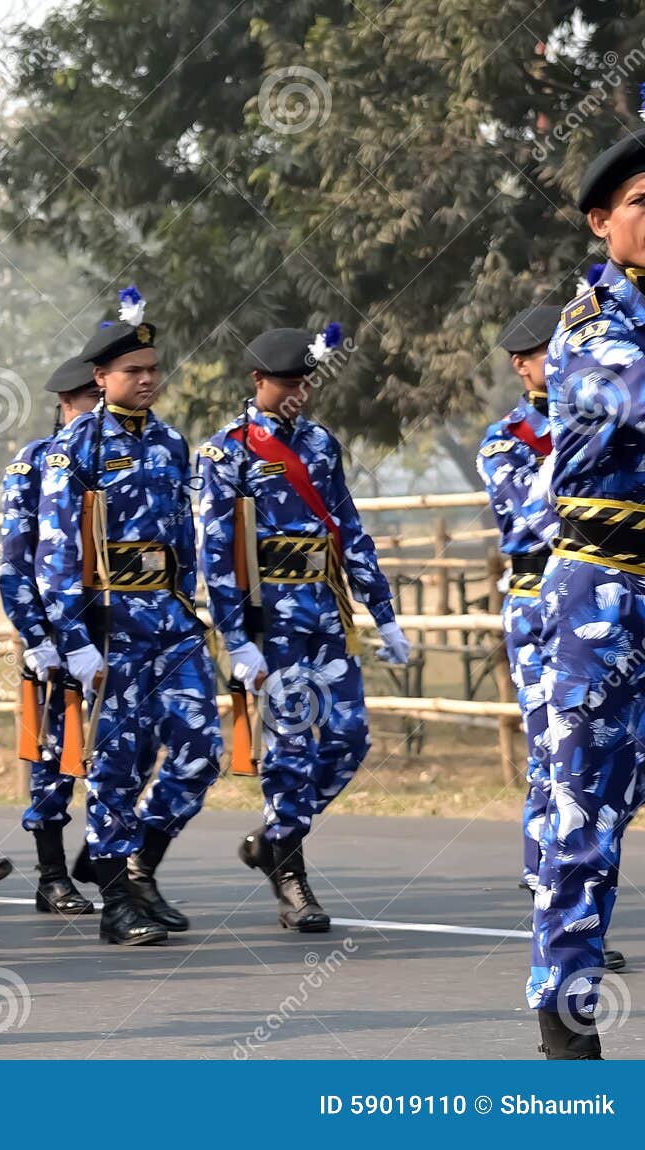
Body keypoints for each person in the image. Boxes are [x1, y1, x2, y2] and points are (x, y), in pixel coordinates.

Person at [197, 324, 407, 933]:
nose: (298, 394)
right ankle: (292, 877)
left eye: (304, 383)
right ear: (258, 382)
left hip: (323, 612)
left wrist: (383, 613)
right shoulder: (227, 451)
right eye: (286, 384)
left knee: (350, 736)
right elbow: (216, 551)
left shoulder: (319, 444)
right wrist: (235, 638)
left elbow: (348, 528)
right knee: (289, 747)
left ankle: (273, 836)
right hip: (272, 623)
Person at [37, 287, 221, 945]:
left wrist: (193, 603)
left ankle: (135, 859)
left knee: (201, 749)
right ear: (101, 378)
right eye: (132, 372)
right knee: (116, 763)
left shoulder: (172, 443)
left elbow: (186, 540)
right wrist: (75, 640)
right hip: (111, 625)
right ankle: (117, 903)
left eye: (152, 370)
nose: (146, 381)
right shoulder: (76, 447)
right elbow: (56, 553)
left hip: (170, 624)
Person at [524, 124, 645, 1058]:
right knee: (586, 812)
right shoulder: (592, 327)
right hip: (605, 595)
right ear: (603, 222)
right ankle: (567, 1022)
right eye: (644, 204)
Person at [0, 355, 102, 917]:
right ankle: (52, 875)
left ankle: (103, 852)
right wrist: (37, 636)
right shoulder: (36, 461)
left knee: (128, 748)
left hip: (117, 628)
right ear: (67, 404)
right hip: (57, 637)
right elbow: (15, 561)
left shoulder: (123, 453)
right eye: (91, 399)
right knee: (54, 760)